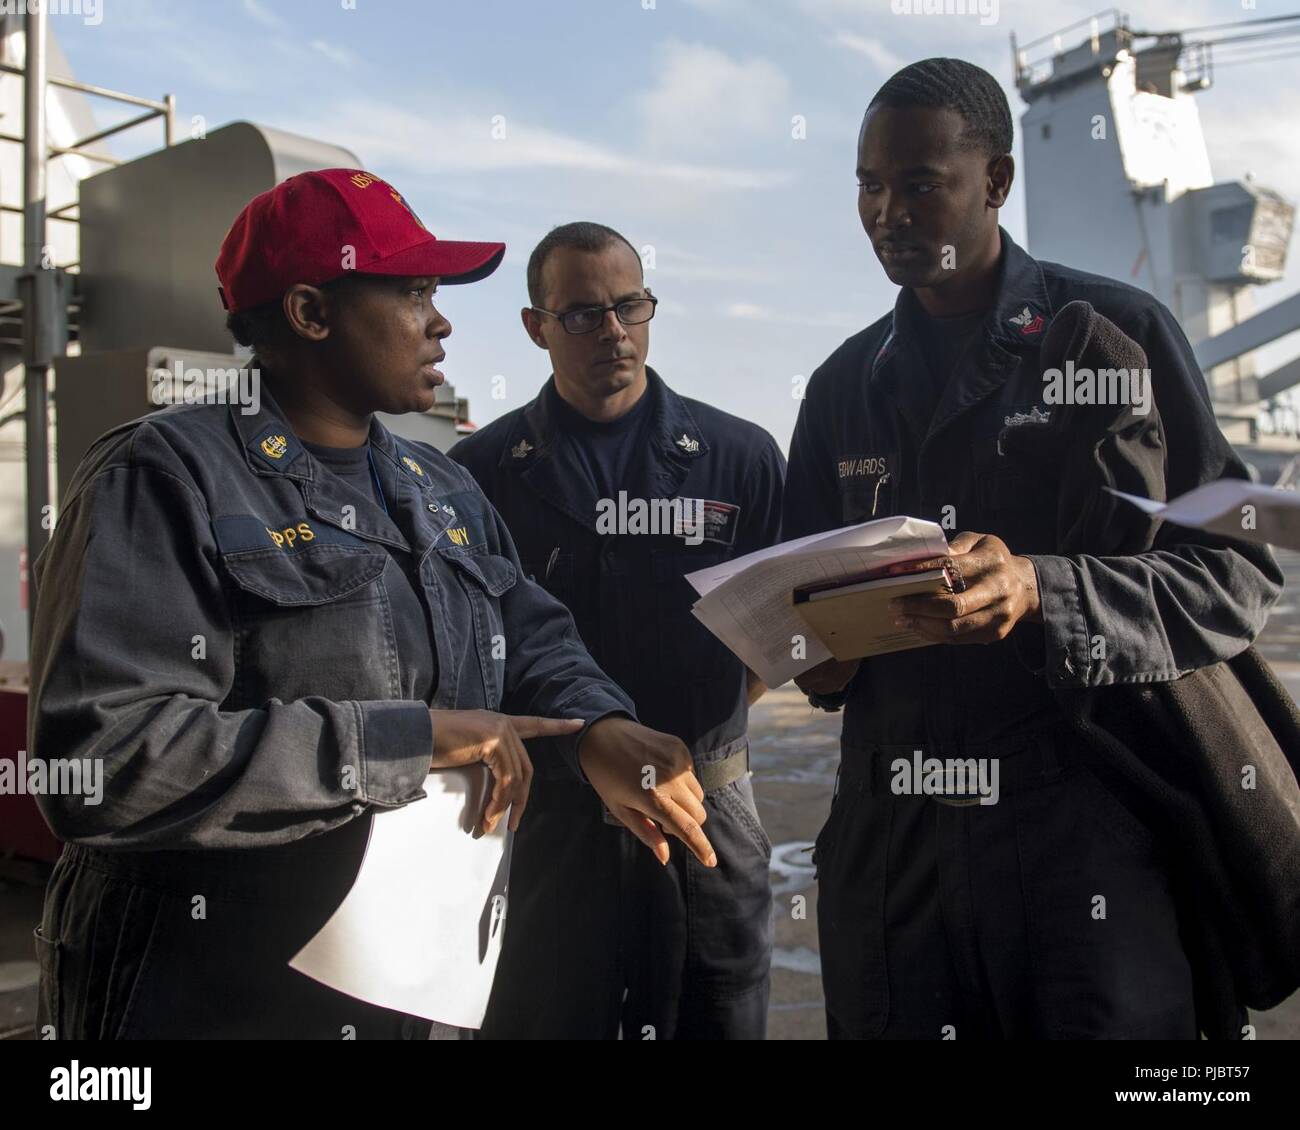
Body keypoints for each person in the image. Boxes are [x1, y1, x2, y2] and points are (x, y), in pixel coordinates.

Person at [28, 169, 715, 1040]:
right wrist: (406, 740)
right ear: (312, 314)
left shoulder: (437, 486)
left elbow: (527, 631)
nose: (442, 321)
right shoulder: (164, 477)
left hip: (405, 990)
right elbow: (104, 762)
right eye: (415, 292)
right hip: (213, 996)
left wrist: (598, 729)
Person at [783, 59, 1283, 1039]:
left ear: (997, 182)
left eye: (919, 182)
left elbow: (1235, 574)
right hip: (893, 842)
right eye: (867, 184)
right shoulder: (843, 386)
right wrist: (815, 650)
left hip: (1078, 829)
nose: (887, 210)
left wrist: (1041, 589)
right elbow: (801, 623)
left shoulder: (1113, 335)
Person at [451, 222, 785, 1039]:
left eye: (630, 306)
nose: (614, 332)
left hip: (705, 805)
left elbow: (773, 632)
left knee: (717, 1012)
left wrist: (695, 734)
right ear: (535, 327)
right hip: (553, 818)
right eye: (583, 314)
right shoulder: (481, 475)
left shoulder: (738, 459)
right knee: (546, 1013)